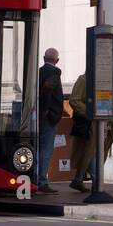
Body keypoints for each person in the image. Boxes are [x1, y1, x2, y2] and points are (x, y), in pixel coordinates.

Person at [67, 73, 113, 191]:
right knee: (92, 152)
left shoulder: (105, 80)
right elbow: (74, 100)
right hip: (91, 123)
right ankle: (96, 182)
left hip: (105, 121)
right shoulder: (84, 79)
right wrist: (91, 112)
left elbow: (109, 98)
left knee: (96, 151)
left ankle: (79, 179)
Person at [36, 48, 65, 193]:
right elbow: (48, 89)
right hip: (48, 116)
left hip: (38, 116)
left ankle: (36, 178)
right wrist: (45, 109)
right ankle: (42, 181)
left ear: (43, 58)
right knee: (46, 149)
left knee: (38, 147)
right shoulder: (54, 72)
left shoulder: (39, 71)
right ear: (57, 60)